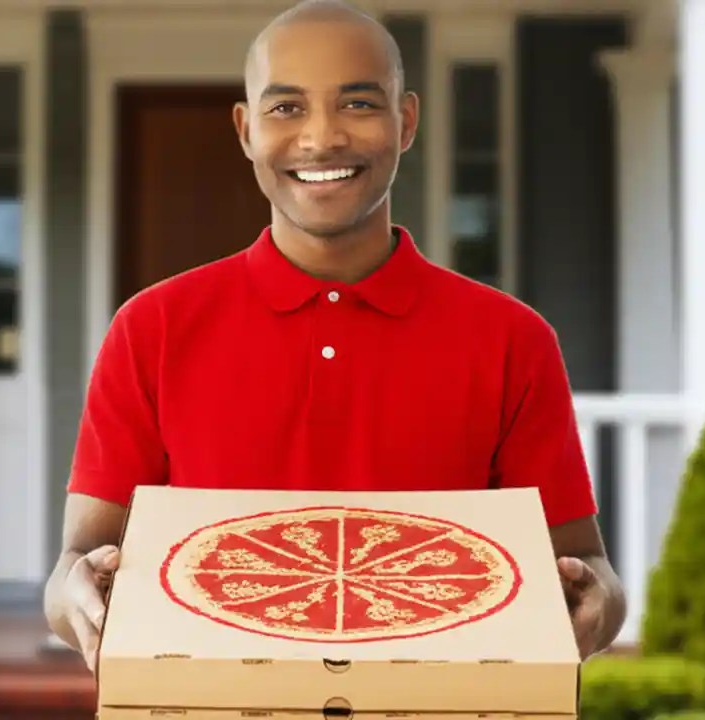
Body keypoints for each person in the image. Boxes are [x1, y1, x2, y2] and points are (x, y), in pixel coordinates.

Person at [44, 0, 626, 670]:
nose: (321, 139)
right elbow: (73, 571)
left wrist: (594, 605)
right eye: (286, 108)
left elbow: (588, 569)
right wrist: (79, 600)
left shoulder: (512, 340)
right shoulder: (152, 330)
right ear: (245, 129)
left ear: (406, 120)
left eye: (357, 104)